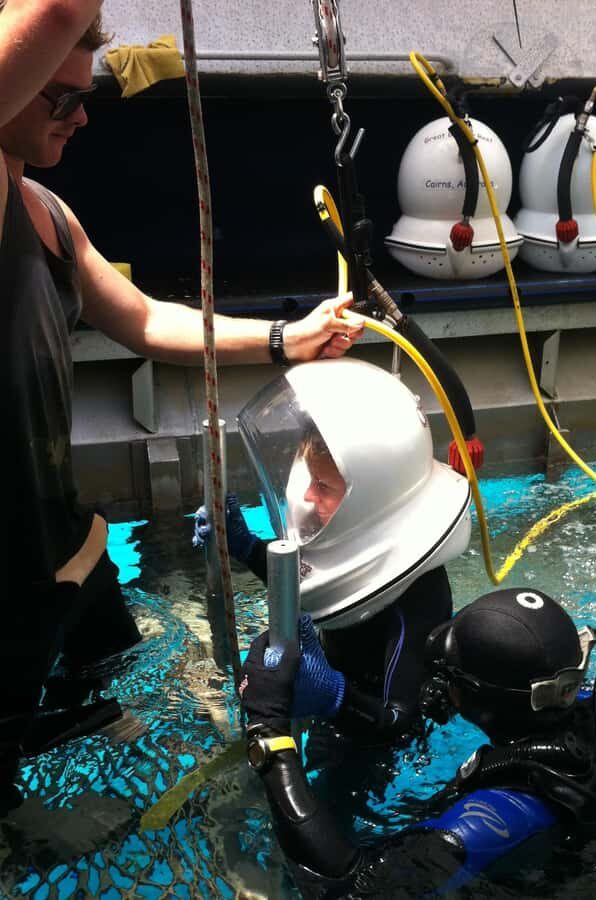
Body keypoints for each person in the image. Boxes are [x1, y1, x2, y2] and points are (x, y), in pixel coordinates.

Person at [0, 0, 362, 816]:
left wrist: (285, 338)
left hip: (67, 547)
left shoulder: (50, 216)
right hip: (3, 580)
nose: (82, 116)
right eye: (58, 97)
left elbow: (147, 320)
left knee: (132, 712)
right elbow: (56, 8)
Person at [239, 586, 596, 896]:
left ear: (482, 702)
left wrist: (269, 736)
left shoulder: (492, 820)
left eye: (451, 680)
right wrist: (344, 699)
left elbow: (348, 884)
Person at [197, 357, 473, 747]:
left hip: (371, 738)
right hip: (329, 693)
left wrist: (336, 699)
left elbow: (402, 722)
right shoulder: (355, 549)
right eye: (311, 479)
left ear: (373, 501)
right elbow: (312, 582)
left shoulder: (417, 600)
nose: (308, 496)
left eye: (324, 487)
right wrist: (244, 547)